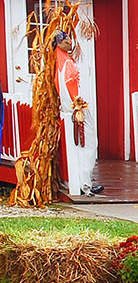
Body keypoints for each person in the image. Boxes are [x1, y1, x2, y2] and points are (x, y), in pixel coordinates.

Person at [53, 29, 96, 196]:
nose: (70, 42)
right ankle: (85, 183)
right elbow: (72, 88)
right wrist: (78, 106)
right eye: (66, 39)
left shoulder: (58, 61)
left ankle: (81, 181)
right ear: (59, 43)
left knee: (77, 145)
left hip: (68, 108)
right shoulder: (67, 64)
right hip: (76, 108)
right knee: (88, 143)